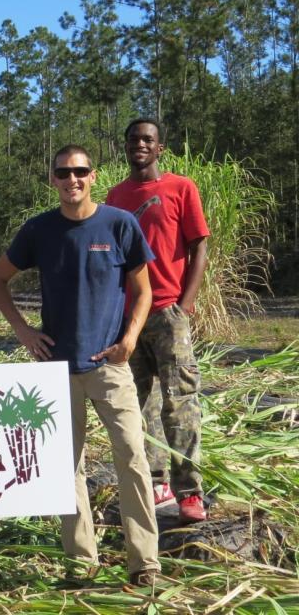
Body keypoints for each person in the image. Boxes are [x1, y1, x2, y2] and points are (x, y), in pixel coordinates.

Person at [0, 144, 161, 586]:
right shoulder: (39, 231)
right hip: (57, 369)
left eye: (80, 172)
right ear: (53, 180)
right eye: (63, 173)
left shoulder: (119, 225)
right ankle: (81, 564)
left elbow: (143, 292)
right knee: (67, 469)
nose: (72, 180)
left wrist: (129, 339)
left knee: (133, 459)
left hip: (109, 366)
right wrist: (24, 333)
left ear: (93, 175)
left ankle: (144, 564)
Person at [107, 118, 209, 523]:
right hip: (130, 316)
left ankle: (190, 491)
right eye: (133, 139)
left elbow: (198, 245)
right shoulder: (115, 196)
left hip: (168, 312)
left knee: (180, 402)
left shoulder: (181, 188)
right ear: (126, 146)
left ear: (160, 147)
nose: (140, 145)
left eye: (147, 139)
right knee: (138, 403)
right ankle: (155, 481)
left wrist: (186, 304)